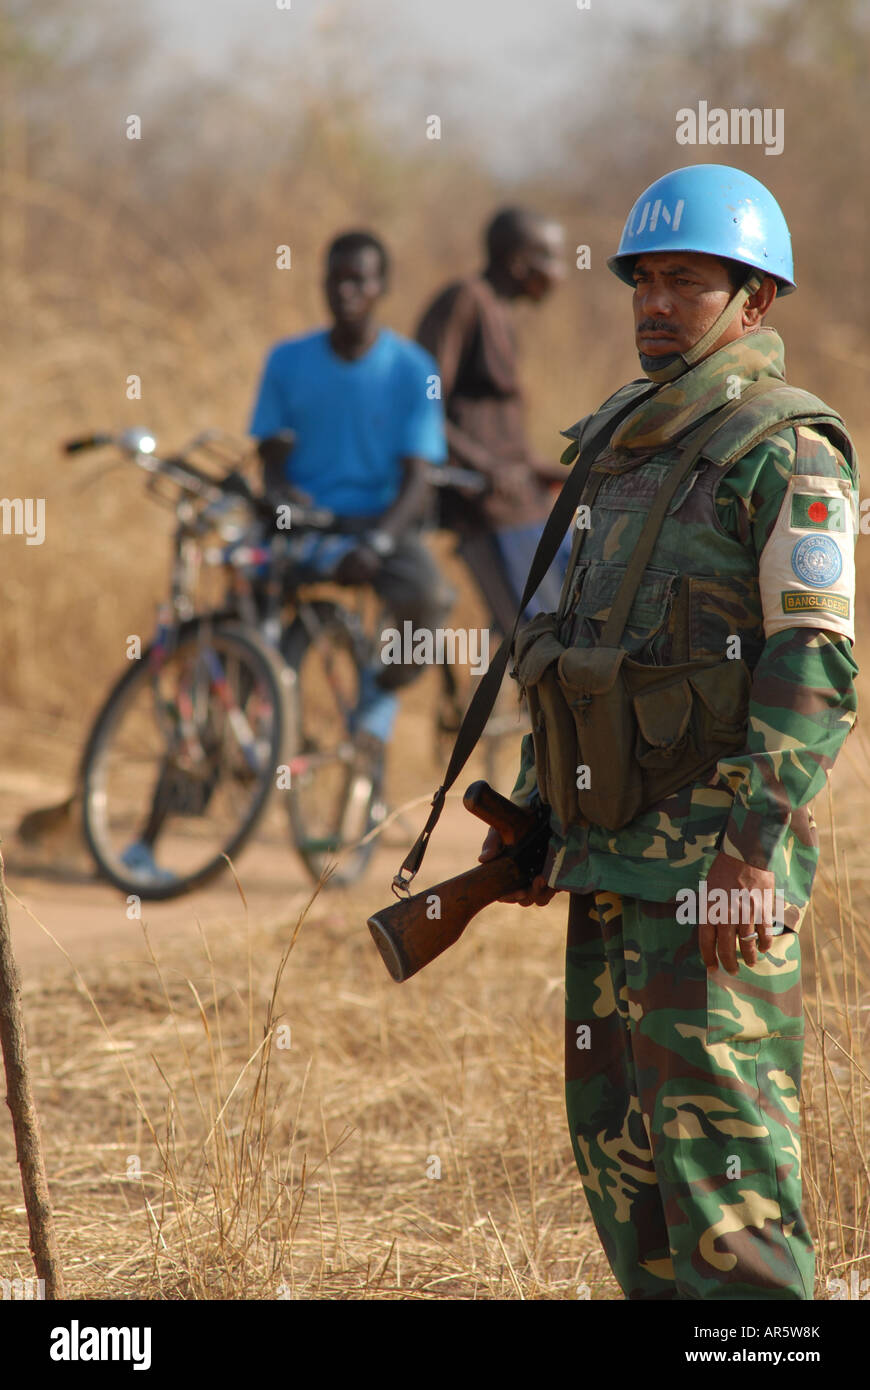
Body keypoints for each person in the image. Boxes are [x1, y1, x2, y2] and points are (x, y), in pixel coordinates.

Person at [481, 164, 858, 1300]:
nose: (654, 303)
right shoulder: (618, 443)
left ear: (755, 299)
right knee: (626, 1178)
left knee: (729, 1203)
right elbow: (576, 643)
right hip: (606, 865)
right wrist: (537, 811)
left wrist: (753, 849)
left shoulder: (787, 451)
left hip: (712, 884)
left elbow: (817, 656)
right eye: (643, 282)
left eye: (686, 283)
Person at [248, 229, 453, 748]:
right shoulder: (286, 360)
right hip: (308, 521)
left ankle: (383, 691)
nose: (346, 292)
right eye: (336, 279)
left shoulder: (412, 370)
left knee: (428, 597)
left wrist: (379, 543)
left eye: (358, 280)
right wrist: (280, 496)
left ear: (381, 286)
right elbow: (270, 461)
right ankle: (238, 726)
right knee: (242, 580)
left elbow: (419, 480)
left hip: (378, 523)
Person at [416, 207, 569, 636]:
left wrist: (558, 472)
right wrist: (486, 467)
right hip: (487, 505)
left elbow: (497, 431)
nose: (561, 274)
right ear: (520, 263)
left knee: (576, 620)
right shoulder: (465, 301)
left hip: (525, 502)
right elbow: (423, 403)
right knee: (539, 638)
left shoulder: (501, 312)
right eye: (554, 259)